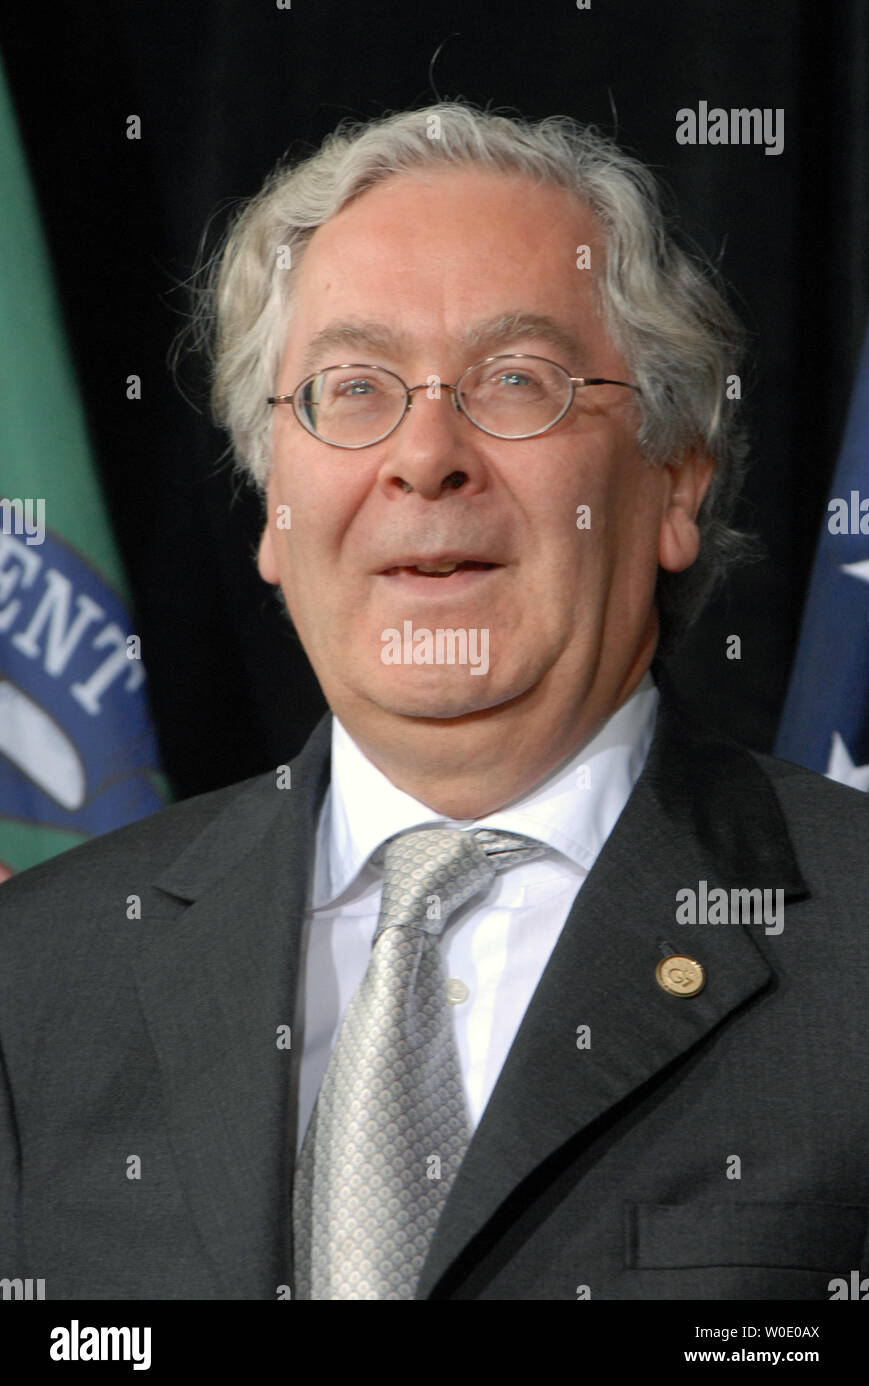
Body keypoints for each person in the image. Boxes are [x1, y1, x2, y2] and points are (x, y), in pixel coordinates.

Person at [1, 101, 867, 1302]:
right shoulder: (36, 972)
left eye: (515, 380)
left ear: (674, 480)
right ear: (272, 507)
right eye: (352, 387)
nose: (423, 456)